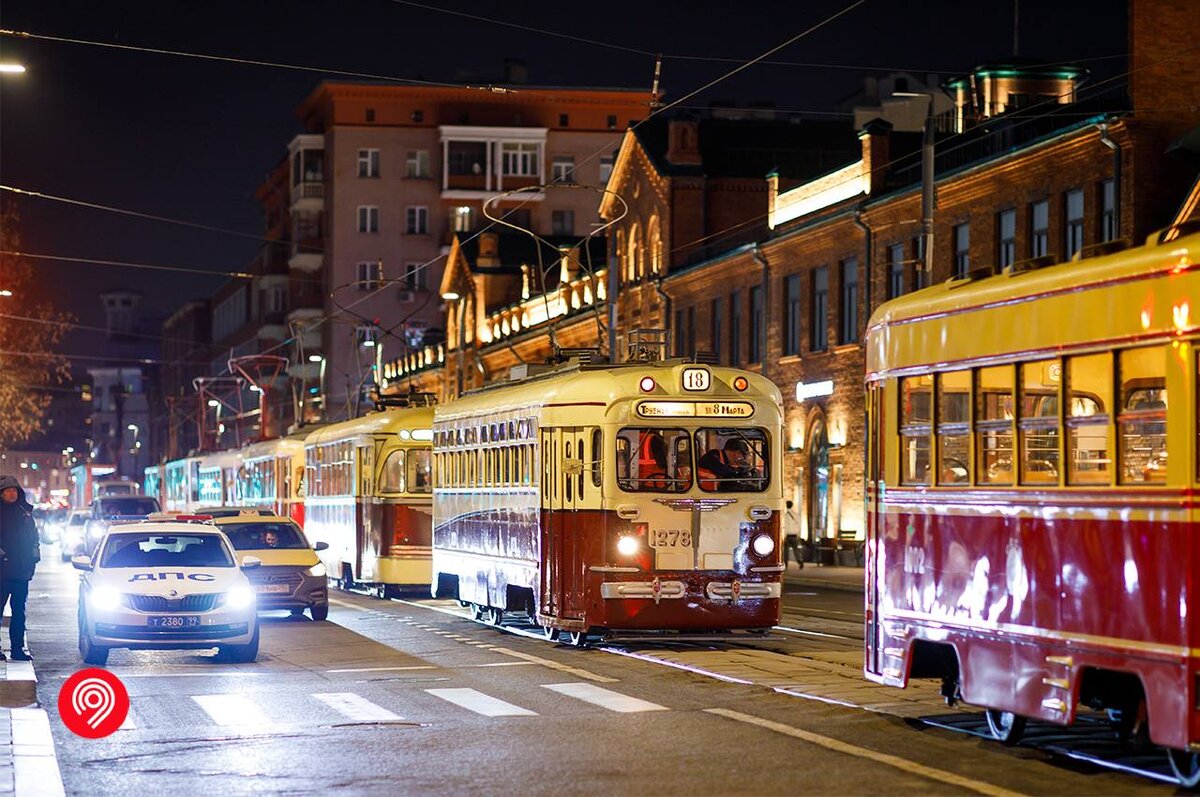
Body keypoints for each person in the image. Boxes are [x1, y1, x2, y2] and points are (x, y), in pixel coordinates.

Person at [0, 476, 40, 661]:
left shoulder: (25, 513)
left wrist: (33, 558)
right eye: (7, 490)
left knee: (19, 612)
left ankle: (17, 649)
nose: (12, 493)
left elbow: (33, 538)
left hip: (21, 572)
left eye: (14, 490)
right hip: (2, 571)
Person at [783, 500, 804, 570]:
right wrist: (798, 534)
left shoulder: (784, 516)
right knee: (796, 550)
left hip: (787, 535)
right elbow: (799, 525)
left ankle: (786, 563)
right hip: (794, 535)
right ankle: (800, 561)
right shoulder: (796, 515)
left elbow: (784, 527)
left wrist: (784, 536)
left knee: (786, 551)